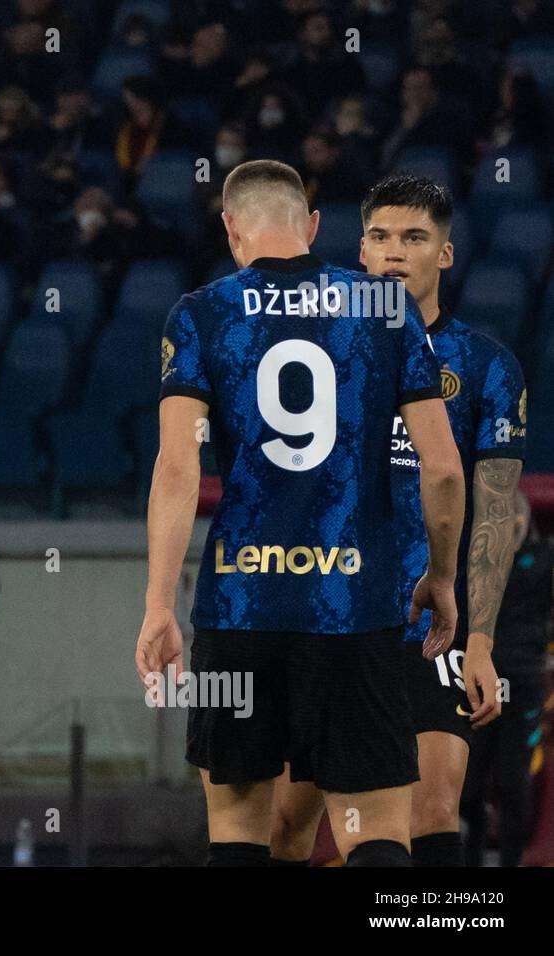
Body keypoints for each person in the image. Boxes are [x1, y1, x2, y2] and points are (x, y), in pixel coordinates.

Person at [136, 159, 464, 867]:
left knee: (240, 835)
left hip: (240, 609)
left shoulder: (200, 313)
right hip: (356, 607)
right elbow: (440, 468)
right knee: (376, 831)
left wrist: (159, 602)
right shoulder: (386, 307)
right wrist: (440, 576)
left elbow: (176, 467)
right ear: (313, 225)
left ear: (230, 229)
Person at [269, 176, 526, 867]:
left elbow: (494, 513)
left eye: (414, 238)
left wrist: (479, 639)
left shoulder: (485, 367)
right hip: (323, 621)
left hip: (428, 632)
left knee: (433, 806)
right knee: (286, 825)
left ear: (445, 253)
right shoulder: (313, 357)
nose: (394, 252)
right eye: (380, 237)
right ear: (359, 250)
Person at [461, 492, 552, 866]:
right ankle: (467, 861)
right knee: (467, 789)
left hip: (524, 684)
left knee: (514, 783)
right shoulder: (474, 565)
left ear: (520, 523)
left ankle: (513, 861)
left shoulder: (546, 561)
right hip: (475, 685)